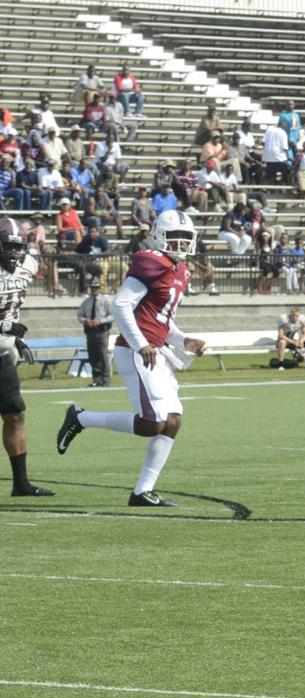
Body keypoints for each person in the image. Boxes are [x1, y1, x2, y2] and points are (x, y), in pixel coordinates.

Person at [56, 210, 207, 507]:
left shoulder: (181, 271)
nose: (179, 244)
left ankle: (142, 491)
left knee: (173, 422)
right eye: (174, 238)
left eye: (184, 239)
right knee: (152, 423)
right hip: (137, 352)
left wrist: (184, 340)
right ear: (160, 235)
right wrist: (140, 345)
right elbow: (121, 305)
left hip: (157, 352)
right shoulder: (152, 261)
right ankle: (81, 418)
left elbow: (162, 321)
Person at [0, 218, 55, 497]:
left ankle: (20, 484)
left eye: (16, 247)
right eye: (6, 247)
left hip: (1, 352)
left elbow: (34, 253)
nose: (13, 253)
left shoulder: (28, 263)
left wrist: (12, 337)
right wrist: (4, 328)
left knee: (15, 413)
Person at [77, 276, 113, 386]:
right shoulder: (86, 302)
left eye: (96, 287)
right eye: (93, 288)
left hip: (102, 331)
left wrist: (100, 321)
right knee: (93, 356)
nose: (94, 290)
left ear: (100, 288)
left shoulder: (105, 301)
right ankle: (96, 379)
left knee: (103, 355)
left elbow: (112, 315)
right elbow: (79, 315)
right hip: (90, 331)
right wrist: (85, 321)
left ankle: (105, 379)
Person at [276, 306, 305, 371]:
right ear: (290, 315)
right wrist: (293, 342)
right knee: (282, 342)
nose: (295, 317)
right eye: (293, 316)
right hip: (285, 340)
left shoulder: (302, 319)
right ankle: (280, 365)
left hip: (294, 340)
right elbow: (281, 335)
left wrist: (301, 341)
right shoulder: (284, 319)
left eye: (297, 316)